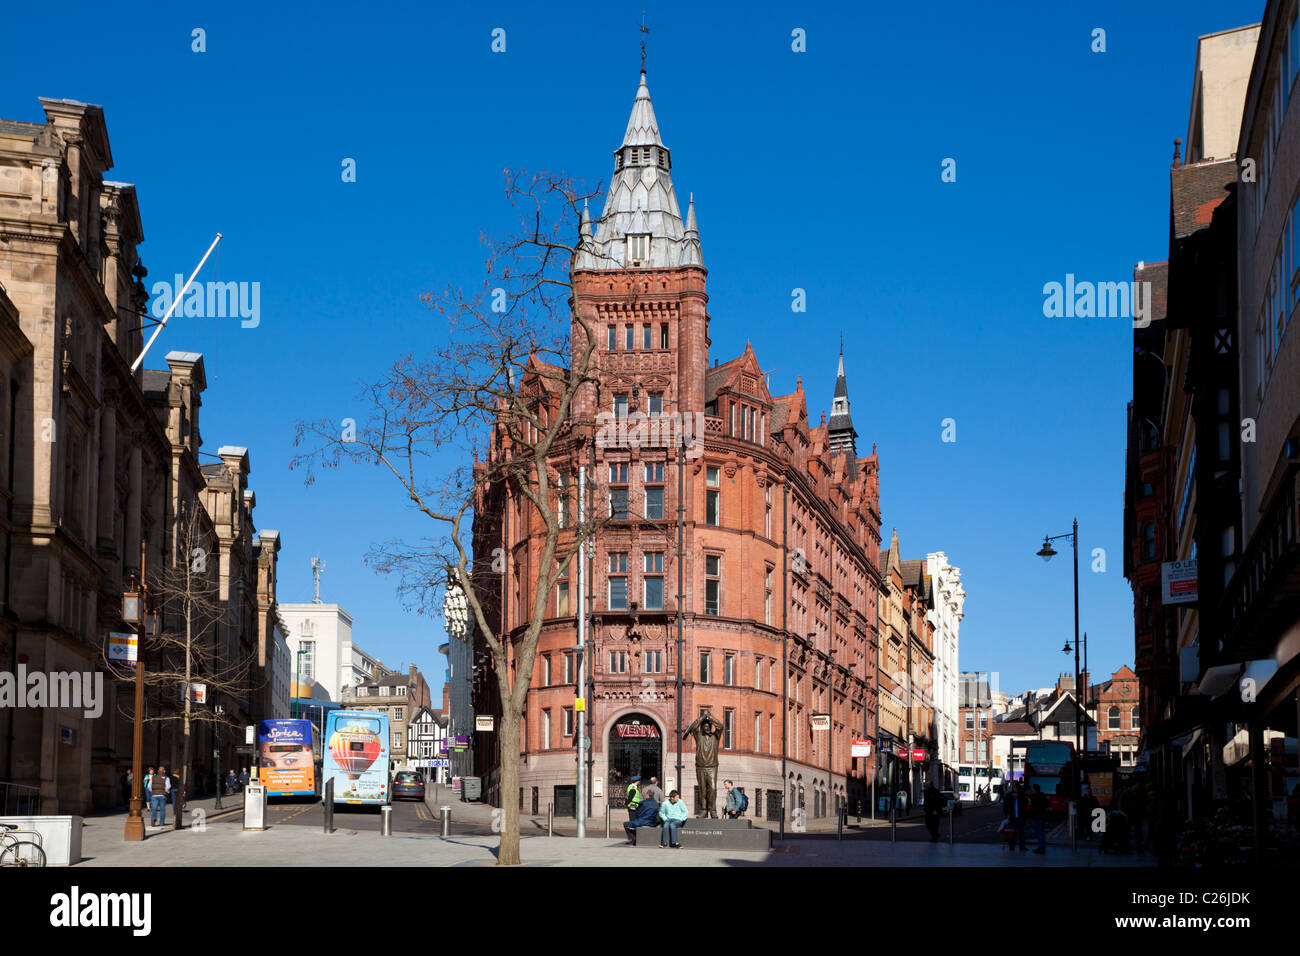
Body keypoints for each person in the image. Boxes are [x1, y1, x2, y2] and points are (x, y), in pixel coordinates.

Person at [1029, 784, 1048, 854]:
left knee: (1039, 833)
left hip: (1037, 817)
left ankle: (1040, 848)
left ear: (1034, 789)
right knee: (1042, 833)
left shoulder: (1034, 797)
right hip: (1042, 816)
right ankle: (1041, 847)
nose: (1031, 790)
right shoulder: (1043, 795)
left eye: (1032, 789)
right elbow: (1047, 804)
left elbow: (1032, 808)